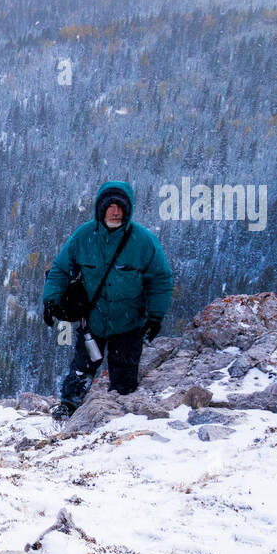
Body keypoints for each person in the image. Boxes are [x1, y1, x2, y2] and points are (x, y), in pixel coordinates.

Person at [42, 180, 173, 421]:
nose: (115, 211)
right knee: (82, 367)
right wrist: (50, 301)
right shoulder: (83, 236)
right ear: (99, 209)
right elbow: (60, 269)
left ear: (129, 209)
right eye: (109, 206)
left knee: (124, 376)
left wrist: (156, 316)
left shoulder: (144, 242)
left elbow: (161, 279)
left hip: (129, 323)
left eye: (120, 207)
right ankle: (68, 407)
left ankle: (120, 420)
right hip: (93, 319)